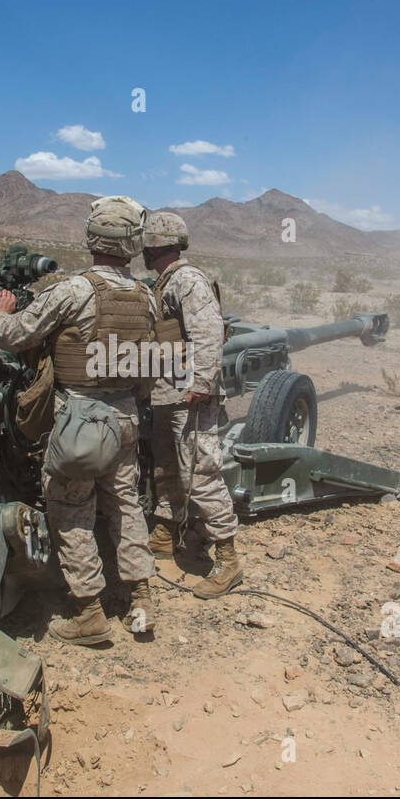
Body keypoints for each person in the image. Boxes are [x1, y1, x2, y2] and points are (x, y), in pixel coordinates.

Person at [0, 196, 158, 645]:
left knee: (70, 510)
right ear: (132, 244)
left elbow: (14, 337)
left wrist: (1, 314)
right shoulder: (146, 296)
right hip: (125, 416)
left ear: (92, 238)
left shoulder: (74, 289)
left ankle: (89, 613)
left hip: (78, 420)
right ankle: (141, 600)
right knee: (126, 506)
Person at [142, 212, 242, 597]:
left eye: (146, 246)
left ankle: (229, 560)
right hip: (169, 393)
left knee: (202, 473)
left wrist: (201, 382)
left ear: (154, 245)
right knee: (167, 467)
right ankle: (167, 532)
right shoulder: (165, 282)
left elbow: (208, 331)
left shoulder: (187, 280)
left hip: (190, 395)